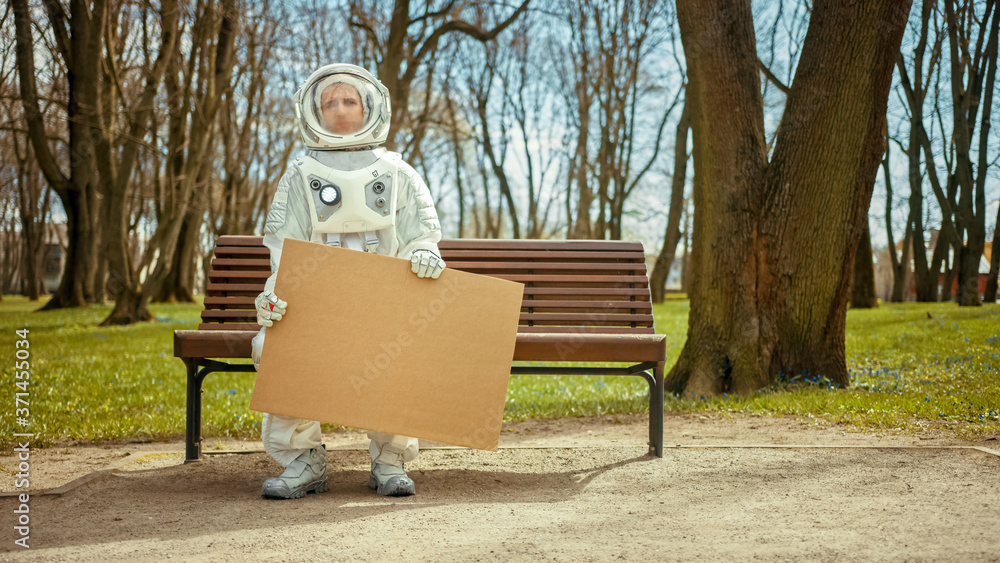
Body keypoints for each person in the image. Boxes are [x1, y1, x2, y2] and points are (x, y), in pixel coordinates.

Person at [250, 63, 446, 500]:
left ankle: (389, 458)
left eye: (349, 101)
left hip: (388, 307)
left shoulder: (400, 173)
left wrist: (425, 254)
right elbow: (284, 251)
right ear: (314, 113)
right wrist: (273, 296)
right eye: (329, 102)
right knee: (272, 346)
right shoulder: (299, 176)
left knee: (401, 344)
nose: (339, 110)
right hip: (316, 312)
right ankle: (304, 458)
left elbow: (422, 237)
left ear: (370, 107)